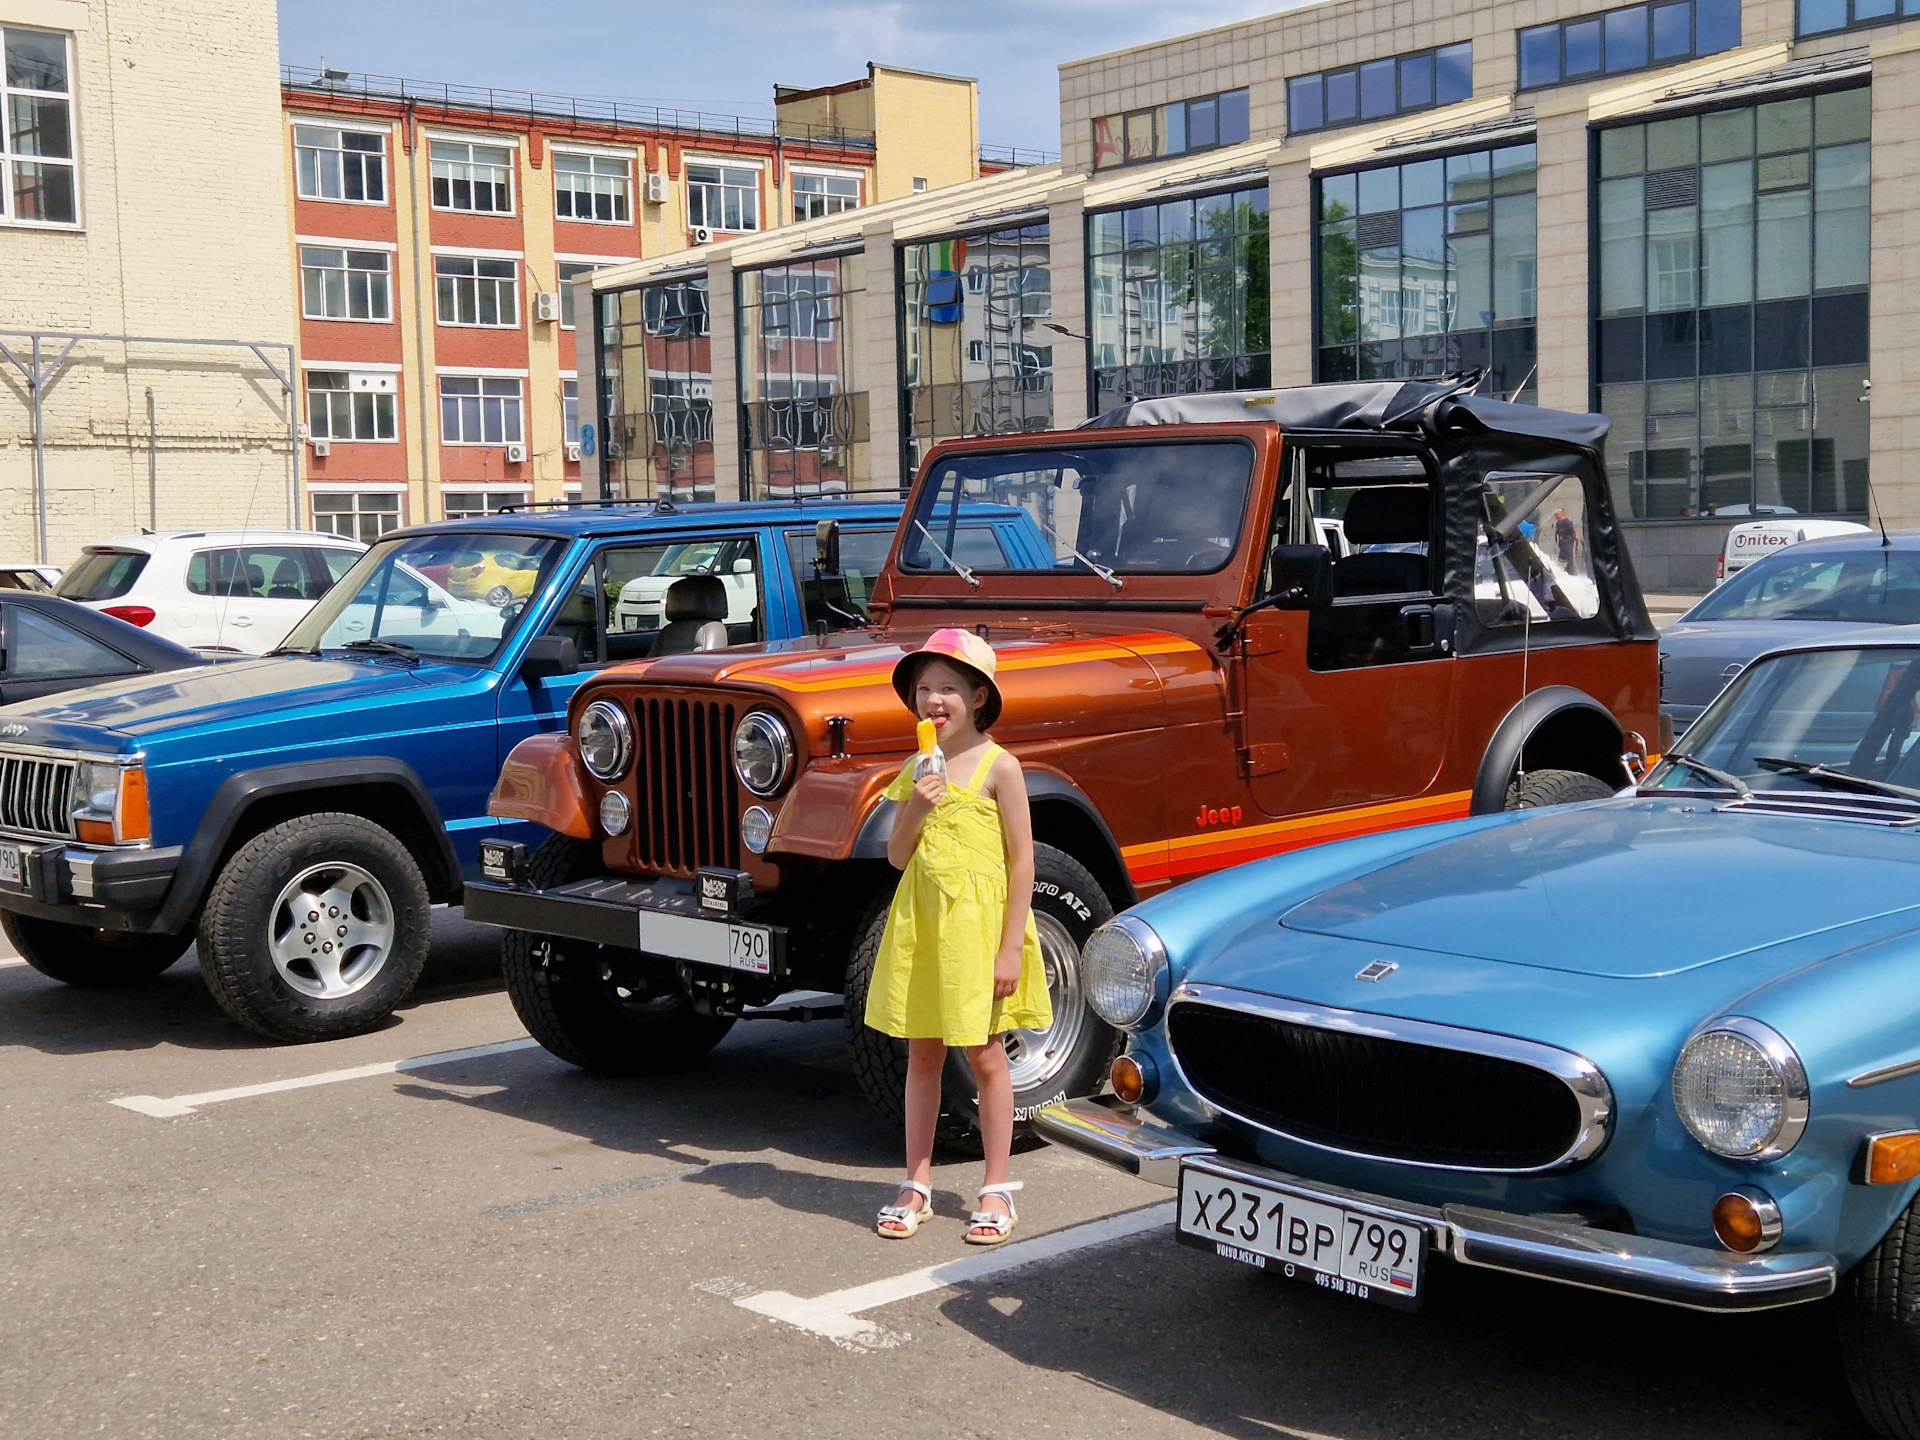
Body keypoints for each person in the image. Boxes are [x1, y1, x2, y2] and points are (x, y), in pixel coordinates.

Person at [867, 628, 1052, 1246]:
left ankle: (996, 1187)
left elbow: (1022, 862)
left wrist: (1009, 948)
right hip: (925, 928)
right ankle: (915, 1184)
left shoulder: (1002, 766)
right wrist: (919, 803)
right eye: (924, 689)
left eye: (948, 687)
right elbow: (897, 856)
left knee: (985, 1054)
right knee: (922, 1054)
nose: (933, 699)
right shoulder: (917, 767)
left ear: (978, 697)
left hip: (978, 930)